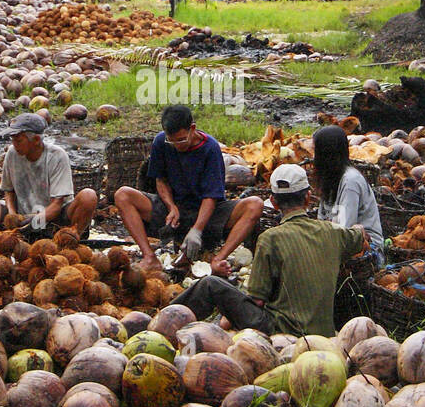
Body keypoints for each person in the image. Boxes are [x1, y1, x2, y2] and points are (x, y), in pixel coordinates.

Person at [169, 165, 367, 336]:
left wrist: (227, 316)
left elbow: (257, 300)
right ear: (308, 197)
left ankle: (164, 322)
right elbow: (362, 237)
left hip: (279, 330)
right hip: (322, 332)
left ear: (273, 202)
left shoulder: (270, 238)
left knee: (211, 284)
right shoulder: (334, 232)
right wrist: (356, 230)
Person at [114, 104, 262, 275]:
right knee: (123, 195)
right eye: (172, 141)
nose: (177, 145)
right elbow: (160, 179)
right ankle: (149, 257)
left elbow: (211, 196)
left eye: (182, 139)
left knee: (255, 205)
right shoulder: (161, 142)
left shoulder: (210, 148)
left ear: (192, 128)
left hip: (208, 212)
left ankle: (218, 260)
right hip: (175, 210)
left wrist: (197, 230)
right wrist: (171, 206)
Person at [0, 114, 97, 238]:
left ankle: (70, 240)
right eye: (12, 140)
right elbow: (9, 191)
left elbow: (57, 204)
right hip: (22, 217)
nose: (14, 144)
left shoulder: (57, 156)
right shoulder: (12, 153)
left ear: (36, 140)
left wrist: (36, 219)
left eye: (18, 140)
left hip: (55, 218)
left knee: (88, 196)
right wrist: (12, 215)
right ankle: (2, 240)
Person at [312, 125, 383, 268]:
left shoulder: (350, 181)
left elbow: (344, 230)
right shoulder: (331, 179)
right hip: (337, 240)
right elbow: (322, 220)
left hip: (367, 249)